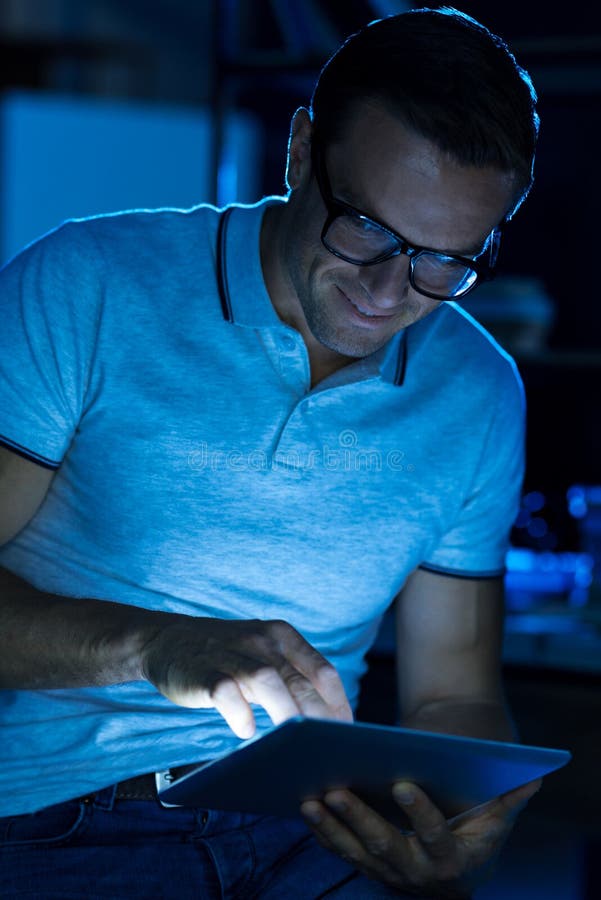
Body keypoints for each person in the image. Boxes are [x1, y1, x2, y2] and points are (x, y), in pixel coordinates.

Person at [0, 6, 541, 898]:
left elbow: (453, 696)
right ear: (299, 154)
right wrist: (155, 648)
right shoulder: (88, 284)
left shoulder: (476, 392)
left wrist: (463, 812)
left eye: (444, 262)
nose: (387, 293)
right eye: (366, 228)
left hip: (321, 828)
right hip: (69, 819)